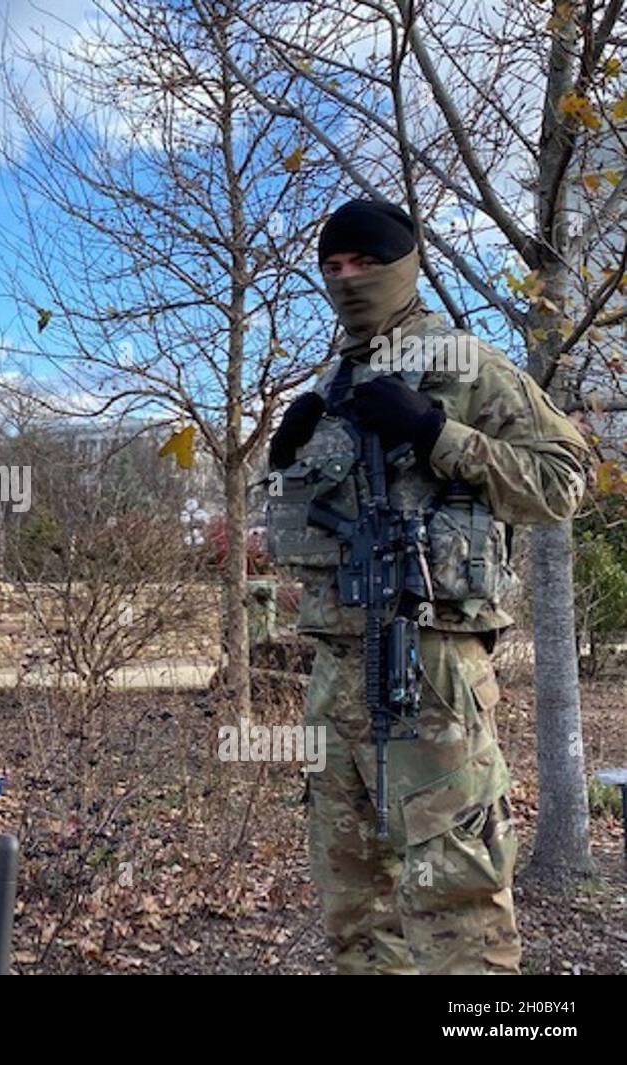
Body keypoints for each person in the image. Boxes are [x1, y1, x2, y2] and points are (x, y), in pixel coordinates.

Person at [266, 199, 587, 975]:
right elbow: (298, 524)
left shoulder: (465, 364)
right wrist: (284, 459)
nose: (348, 281)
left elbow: (564, 477)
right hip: (338, 671)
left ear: (404, 264)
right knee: (355, 909)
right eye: (333, 269)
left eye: (365, 264)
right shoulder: (332, 379)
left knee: (457, 905)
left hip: (432, 669)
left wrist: (438, 435)